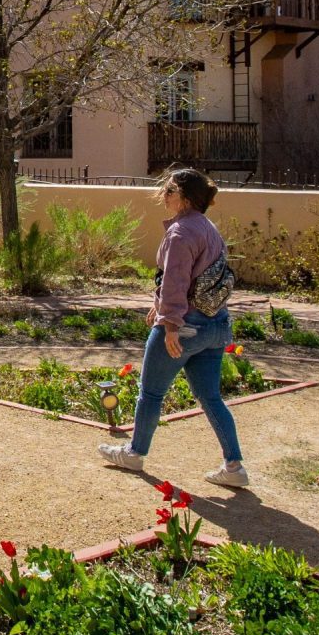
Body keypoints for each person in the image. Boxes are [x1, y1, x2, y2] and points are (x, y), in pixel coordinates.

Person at [98, 168, 247, 487]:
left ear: (185, 198)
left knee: (151, 392)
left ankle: (135, 453)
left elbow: (176, 282)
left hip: (184, 327)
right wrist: (160, 304)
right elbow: (196, 278)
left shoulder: (180, 233)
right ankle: (234, 466)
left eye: (169, 191)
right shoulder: (208, 228)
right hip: (214, 325)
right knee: (211, 397)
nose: (163, 196)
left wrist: (169, 325)